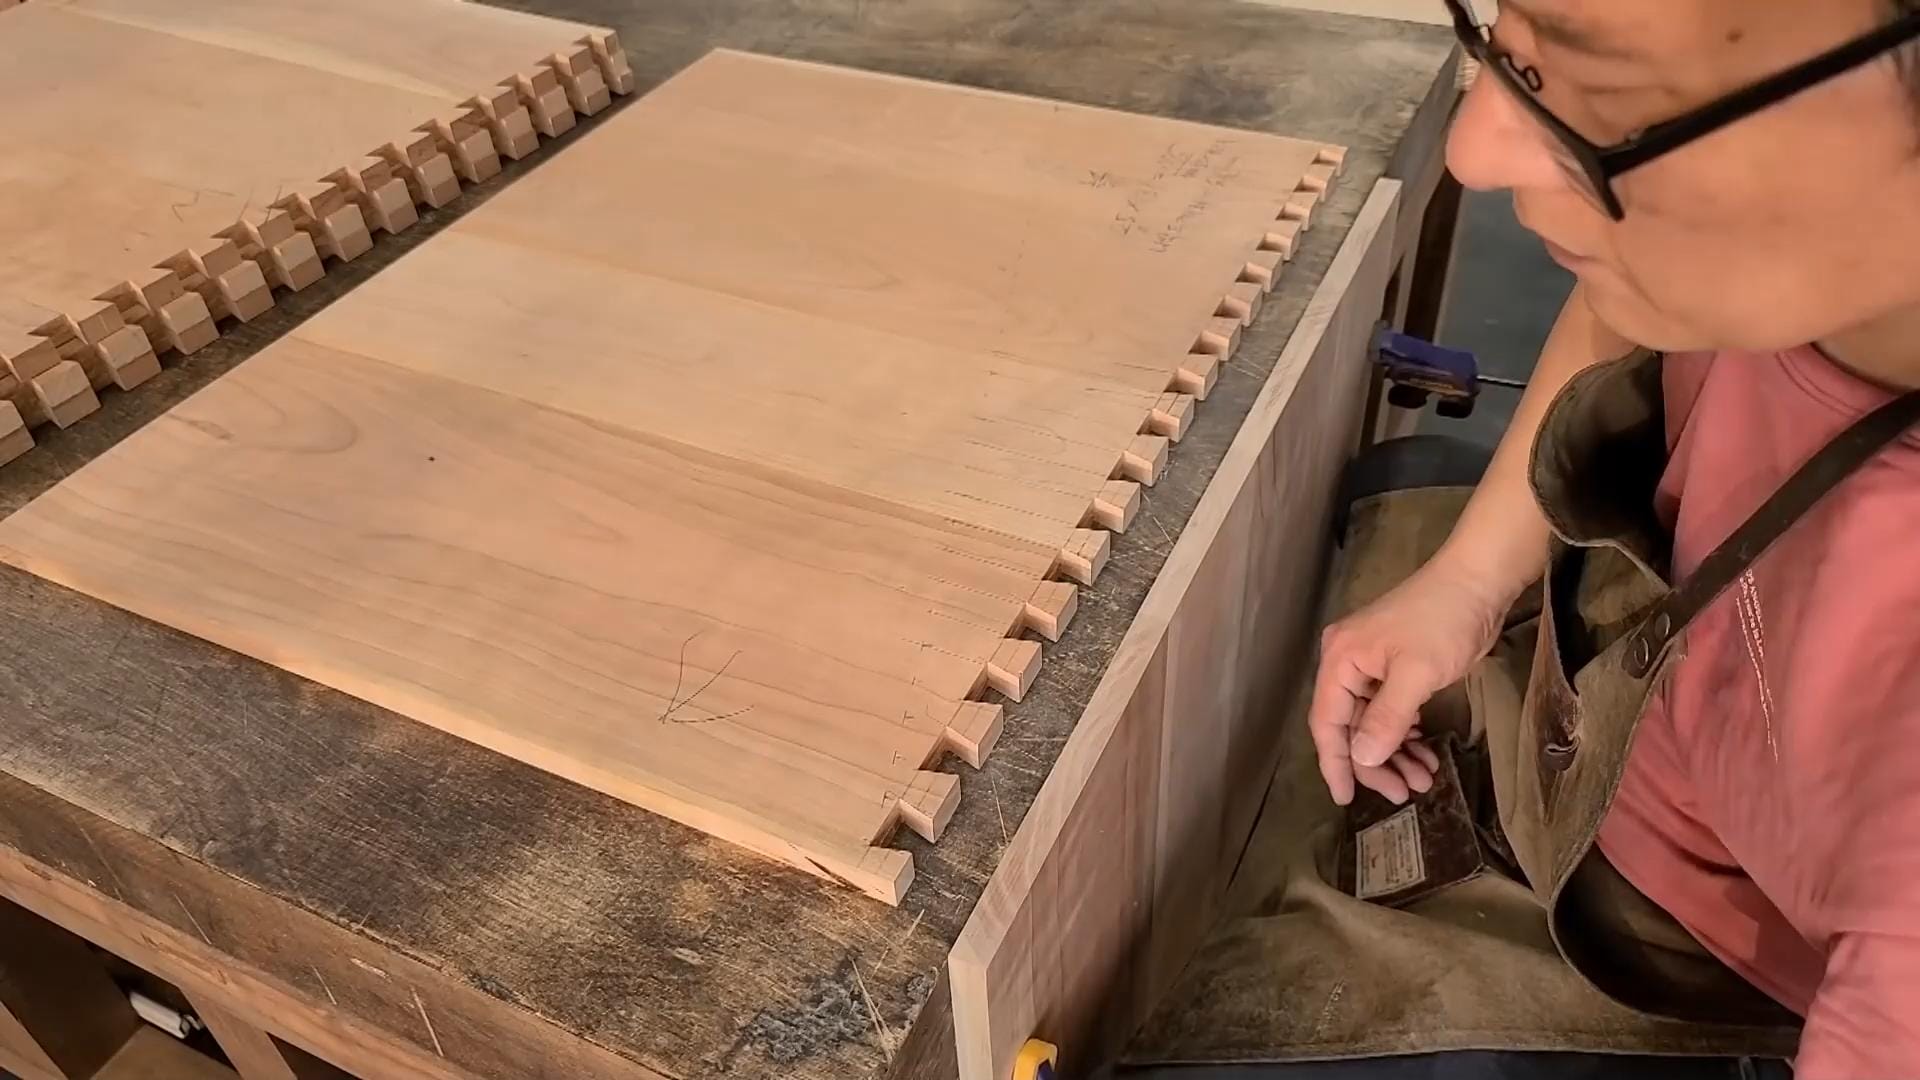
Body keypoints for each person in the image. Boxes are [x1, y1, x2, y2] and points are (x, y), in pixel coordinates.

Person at [1308, 0, 1920, 1076]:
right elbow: (1628, 301)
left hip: (1678, 971)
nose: (1473, 145)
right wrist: (1466, 580)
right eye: (1507, 39)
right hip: (1624, 756)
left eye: (1606, 87)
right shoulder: (1774, 269)